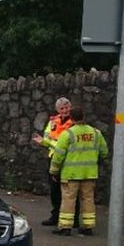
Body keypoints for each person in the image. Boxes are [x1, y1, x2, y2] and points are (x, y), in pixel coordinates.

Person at [48, 106, 109, 236]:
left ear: (71, 118)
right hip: (89, 173)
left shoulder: (68, 134)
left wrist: (54, 171)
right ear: (83, 116)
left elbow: (58, 155)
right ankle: (88, 226)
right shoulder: (96, 133)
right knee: (87, 199)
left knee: (68, 200)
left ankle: (65, 227)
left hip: (71, 174)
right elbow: (104, 152)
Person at [32, 97, 76, 226]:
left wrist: (49, 143)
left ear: (71, 107)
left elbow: (66, 145)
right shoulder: (53, 122)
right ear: (57, 110)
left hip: (69, 159)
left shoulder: (75, 122)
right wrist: (47, 143)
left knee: (71, 190)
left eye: (67, 107)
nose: (64, 111)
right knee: (55, 190)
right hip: (54, 158)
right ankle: (55, 216)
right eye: (61, 108)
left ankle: (72, 218)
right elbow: (46, 139)